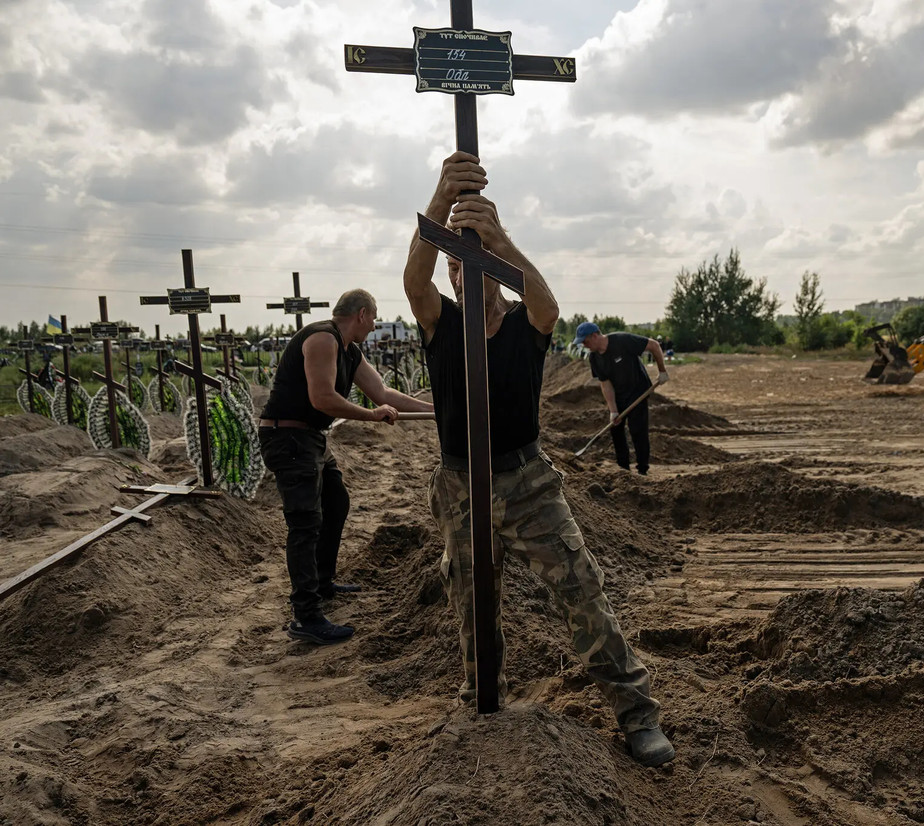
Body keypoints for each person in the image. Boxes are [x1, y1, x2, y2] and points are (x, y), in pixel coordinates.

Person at [402, 151, 675, 768]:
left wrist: (497, 237)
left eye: (480, 264)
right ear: (452, 277)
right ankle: (481, 702)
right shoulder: (440, 325)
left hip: (527, 481)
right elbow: (411, 283)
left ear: (495, 272)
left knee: (581, 592)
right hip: (459, 482)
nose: (468, 273)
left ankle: (637, 715)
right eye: (457, 263)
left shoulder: (528, 326)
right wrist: (443, 197)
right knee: (471, 598)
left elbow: (548, 300)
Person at [258, 289, 434, 645]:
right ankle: (305, 616)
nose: (374, 325)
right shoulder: (323, 338)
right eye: (374, 317)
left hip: (310, 440)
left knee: (336, 503)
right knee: (305, 523)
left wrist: (437, 412)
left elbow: (383, 394)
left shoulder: (349, 350)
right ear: (362, 314)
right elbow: (321, 398)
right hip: (289, 439)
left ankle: (322, 584)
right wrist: (370, 416)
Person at [574, 323, 668, 476]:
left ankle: (642, 470)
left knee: (638, 430)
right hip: (618, 396)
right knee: (616, 429)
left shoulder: (622, 340)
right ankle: (623, 470)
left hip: (638, 391)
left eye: (585, 341)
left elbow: (654, 345)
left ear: (594, 336)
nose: (584, 345)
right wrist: (613, 410)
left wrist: (662, 371)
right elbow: (605, 384)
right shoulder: (594, 358)